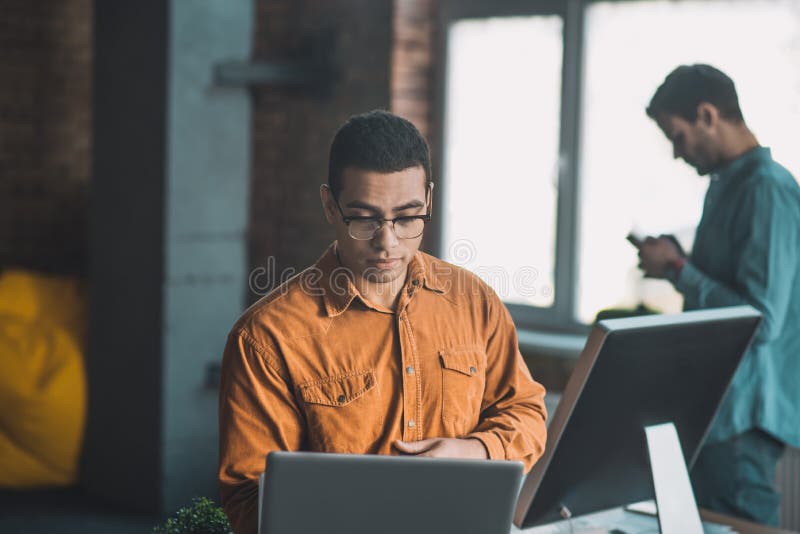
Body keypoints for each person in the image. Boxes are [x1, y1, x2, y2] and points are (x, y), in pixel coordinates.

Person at [217, 110, 548, 534]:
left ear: (428, 201)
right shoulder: (265, 338)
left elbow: (524, 411)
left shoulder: (474, 300)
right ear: (330, 206)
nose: (387, 241)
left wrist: (477, 451)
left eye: (408, 217)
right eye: (364, 218)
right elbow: (249, 500)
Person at [639, 64, 800, 525]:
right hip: (715, 410)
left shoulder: (766, 189)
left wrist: (676, 267)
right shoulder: (726, 187)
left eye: (678, 136)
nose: (676, 153)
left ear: (707, 115)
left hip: (742, 420)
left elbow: (761, 320)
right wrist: (677, 265)